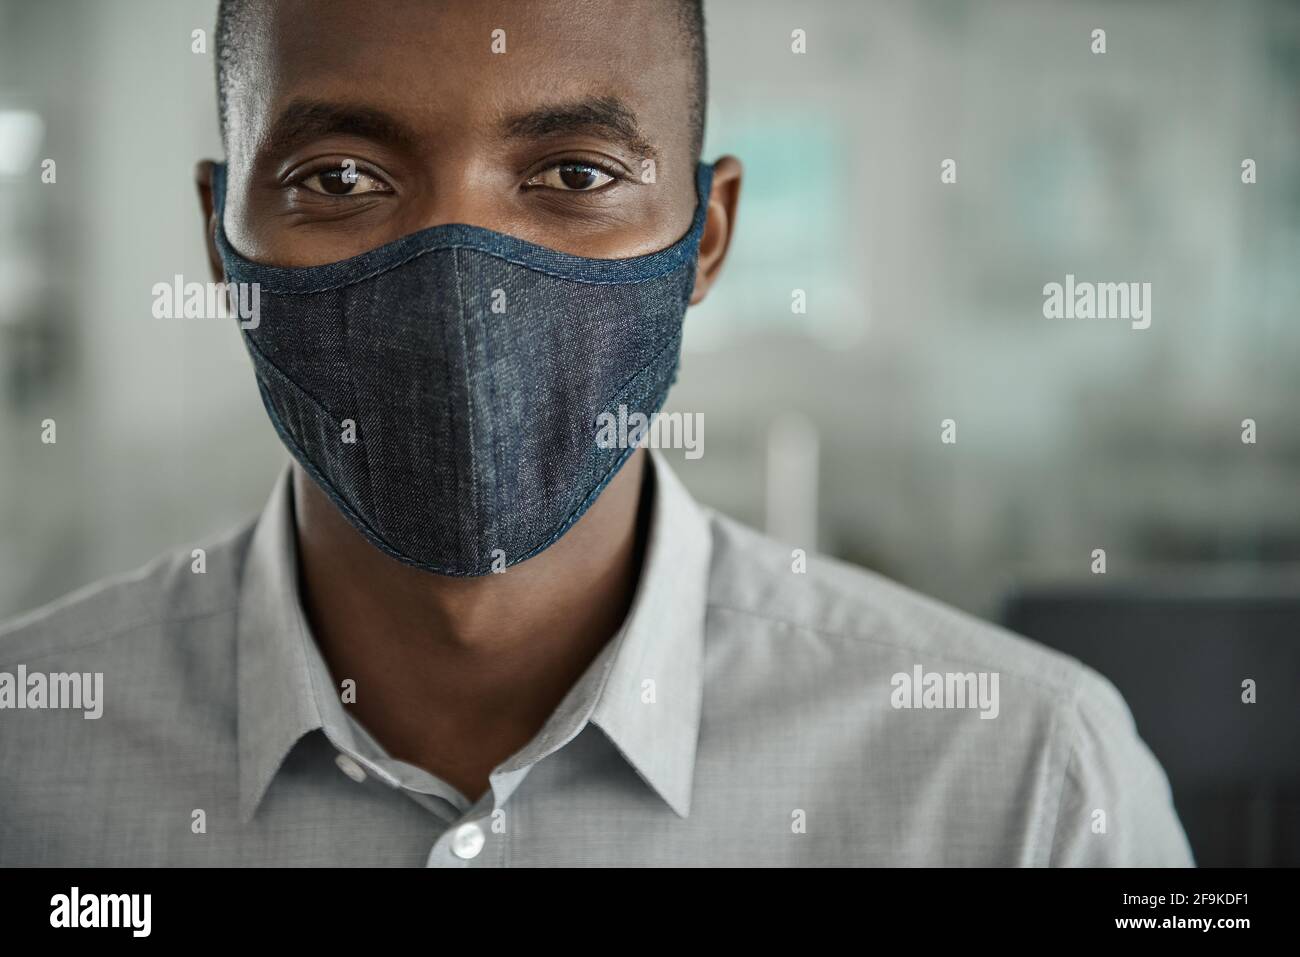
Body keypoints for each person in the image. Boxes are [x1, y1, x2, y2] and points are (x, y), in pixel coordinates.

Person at [0, 0, 1191, 866]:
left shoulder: (1024, 785)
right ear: (220, 241)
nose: (467, 285)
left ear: (707, 237)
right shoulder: (27, 759)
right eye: (342, 180)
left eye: (573, 173)